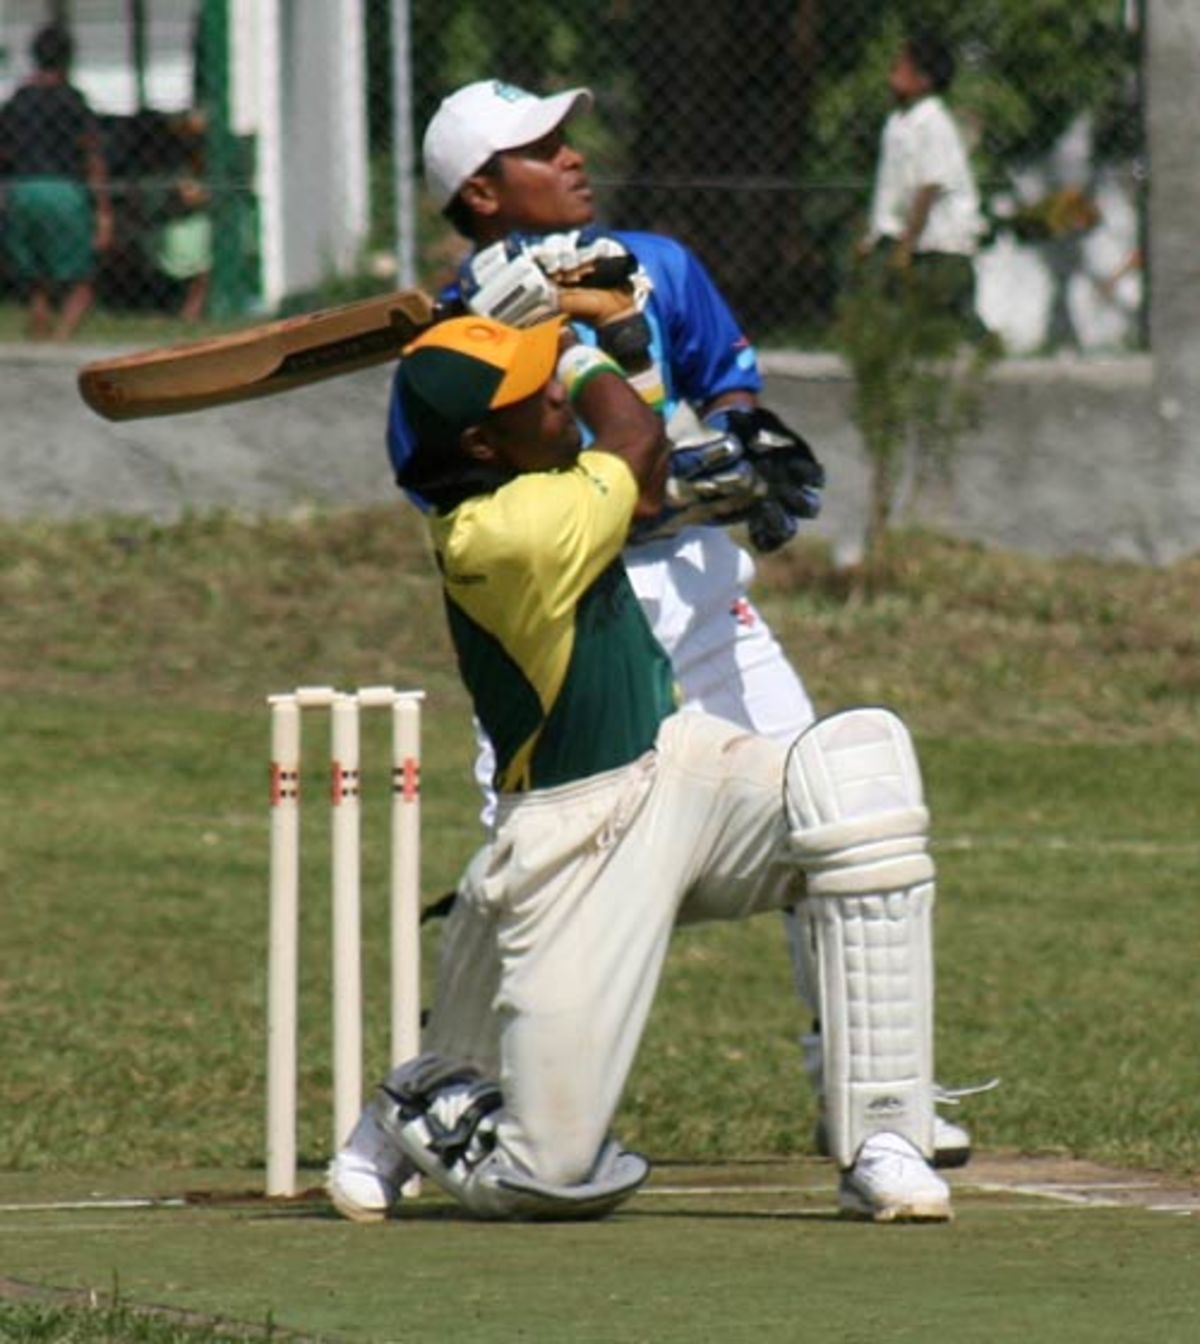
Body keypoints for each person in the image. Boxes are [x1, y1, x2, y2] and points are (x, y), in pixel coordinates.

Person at [325, 81, 974, 1216]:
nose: (574, 157)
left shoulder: (652, 264)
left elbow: (727, 393)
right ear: (482, 190)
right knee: (511, 902)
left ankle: (879, 1118)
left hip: (706, 617)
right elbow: (467, 478)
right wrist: (543, 346)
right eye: (542, 148)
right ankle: (411, 1125)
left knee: (845, 808)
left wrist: (725, 455)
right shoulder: (452, 346)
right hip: (568, 646)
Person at [859, 30, 987, 340]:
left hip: (942, 245)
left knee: (950, 316)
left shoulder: (933, 122)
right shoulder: (897, 121)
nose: (893, 71)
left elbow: (928, 187)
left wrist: (906, 246)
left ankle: (990, 360)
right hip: (908, 240)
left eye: (902, 66)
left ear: (924, 80)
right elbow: (892, 187)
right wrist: (874, 232)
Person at [0, 22, 112, 340]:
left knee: (36, 277)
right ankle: (62, 338)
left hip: (22, 190)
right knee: (83, 277)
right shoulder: (73, 100)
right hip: (65, 190)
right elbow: (93, 155)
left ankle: (38, 330)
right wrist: (103, 211)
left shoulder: (17, 100)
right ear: (69, 59)